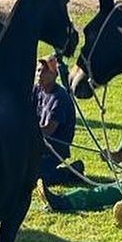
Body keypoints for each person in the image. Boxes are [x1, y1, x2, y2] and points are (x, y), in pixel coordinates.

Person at [33, 55, 81, 188]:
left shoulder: (59, 98)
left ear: (54, 75)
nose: (40, 74)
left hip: (54, 148)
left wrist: (26, 131)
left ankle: (72, 172)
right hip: (38, 143)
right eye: (38, 70)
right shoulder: (37, 90)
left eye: (45, 71)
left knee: (36, 176)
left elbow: (48, 130)